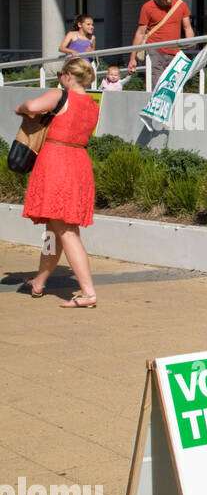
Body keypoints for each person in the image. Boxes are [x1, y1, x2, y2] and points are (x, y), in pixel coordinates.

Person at [17, 56, 101, 309]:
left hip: (57, 161)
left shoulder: (60, 95)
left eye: (61, 75)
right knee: (55, 229)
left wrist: (21, 109)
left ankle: (87, 292)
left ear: (67, 75)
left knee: (66, 230)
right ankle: (39, 281)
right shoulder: (93, 104)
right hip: (78, 161)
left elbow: (31, 106)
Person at [127, 0, 194, 85]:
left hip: (175, 52)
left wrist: (191, 42)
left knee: (173, 86)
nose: (168, 1)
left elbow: (187, 27)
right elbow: (140, 33)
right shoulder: (147, 7)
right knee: (157, 85)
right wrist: (132, 58)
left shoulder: (180, 4)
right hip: (155, 50)